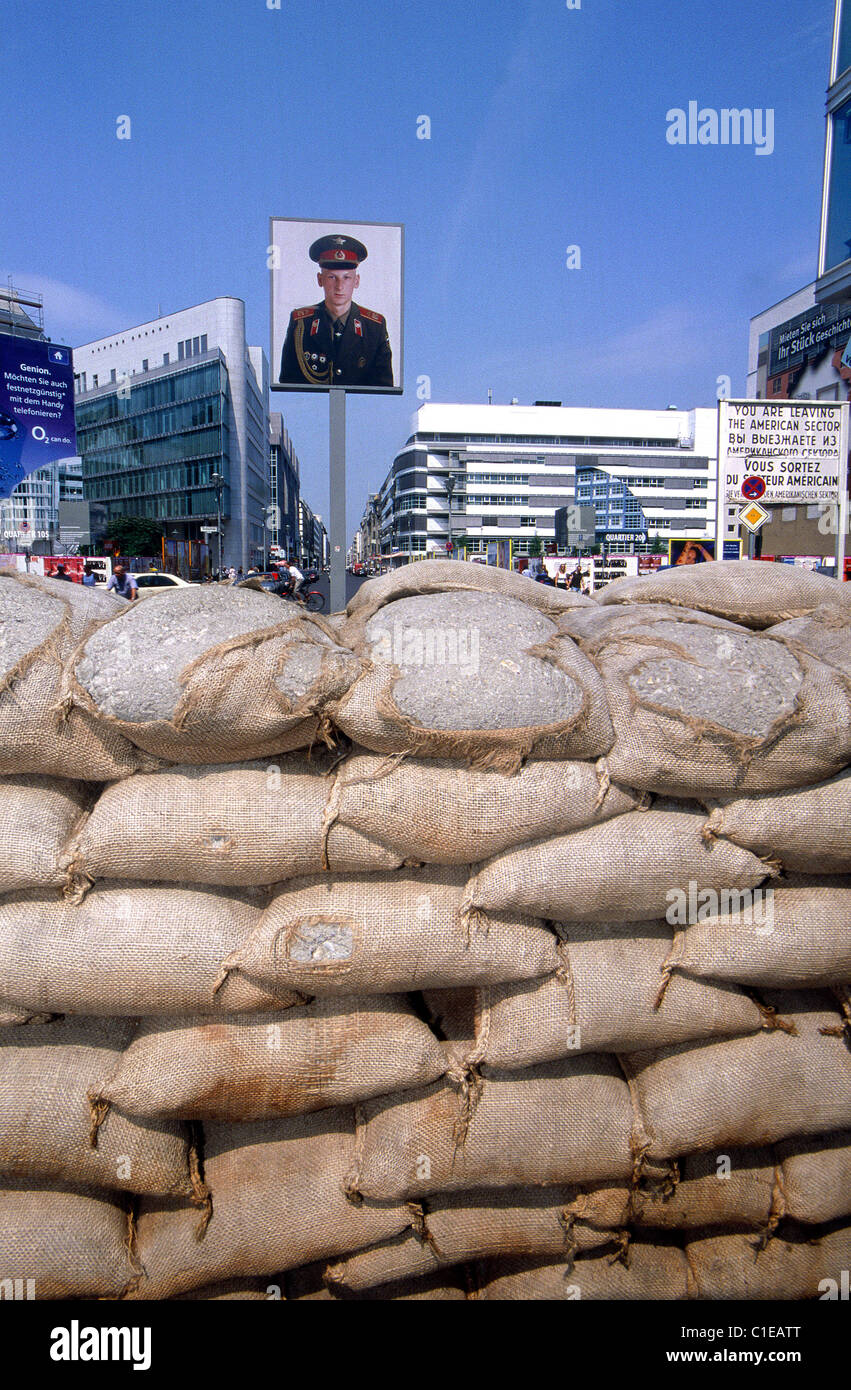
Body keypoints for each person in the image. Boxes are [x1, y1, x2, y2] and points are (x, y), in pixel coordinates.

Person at [279, 235, 393, 388]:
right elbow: (288, 382)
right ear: (320, 279)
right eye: (332, 277)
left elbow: (384, 388)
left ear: (356, 281)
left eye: (346, 278)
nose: (339, 286)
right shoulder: (301, 323)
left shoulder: (374, 326)